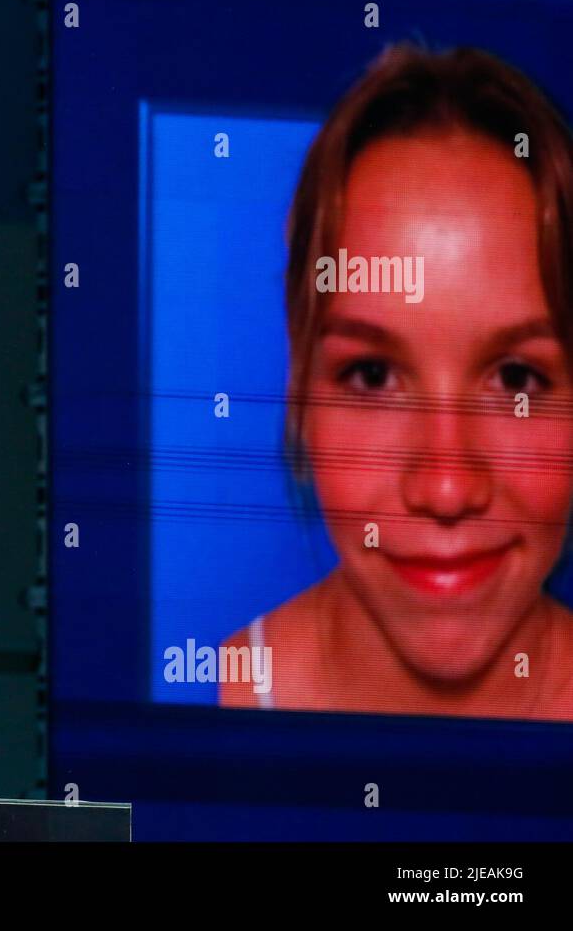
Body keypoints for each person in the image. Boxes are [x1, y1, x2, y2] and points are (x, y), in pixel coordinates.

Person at [220, 43, 573, 720]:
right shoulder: (205, 709)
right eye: (373, 375)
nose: (445, 487)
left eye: (517, 378)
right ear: (300, 391)